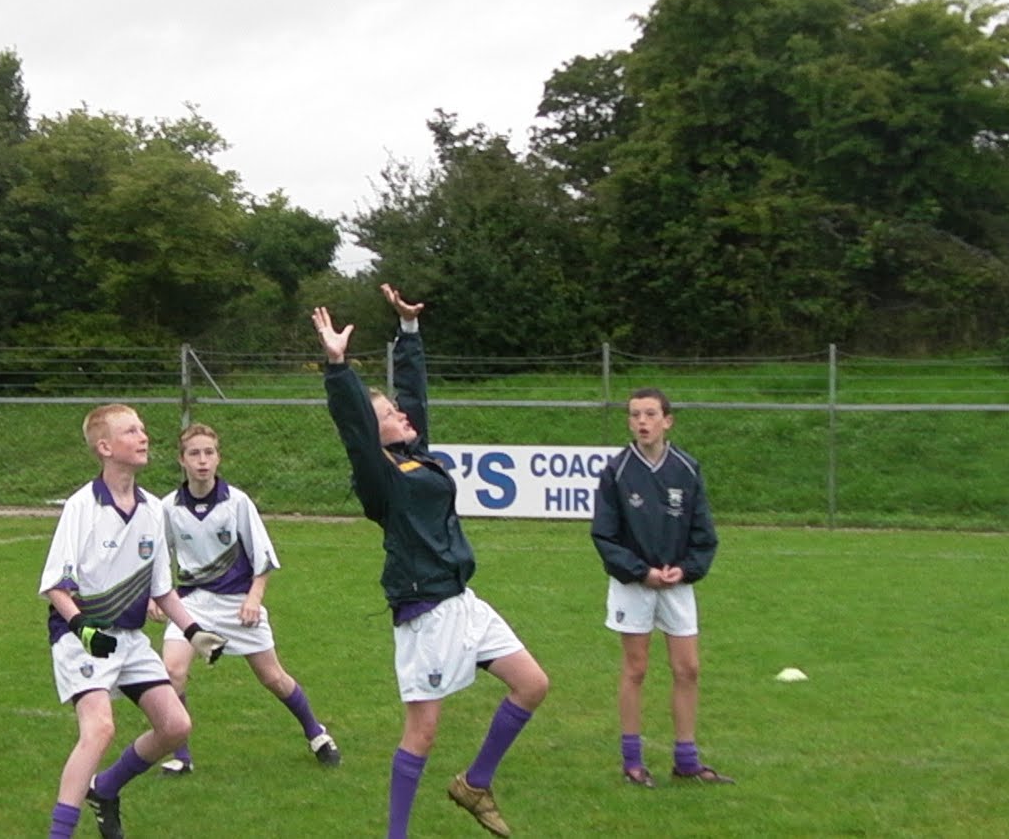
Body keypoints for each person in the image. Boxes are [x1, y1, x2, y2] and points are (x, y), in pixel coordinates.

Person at [312, 285, 550, 839]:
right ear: (377, 435)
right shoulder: (380, 478)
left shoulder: (416, 456)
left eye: (396, 410)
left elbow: (414, 398)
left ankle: (473, 784)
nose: (401, 414)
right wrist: (337, 364)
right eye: (390, 415)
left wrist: (409, 333)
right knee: (422, 733)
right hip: (426, 612)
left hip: (462, 600)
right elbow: (353, 427)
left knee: (532, 684)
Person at [40, 403, 228, 839]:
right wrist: (84, 630)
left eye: (142, 429)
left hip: (129, 639)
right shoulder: (82, 506)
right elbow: (56, 587)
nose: (143, 436)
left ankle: (105, 789)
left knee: (176, 725)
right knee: (100, 728)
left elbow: (162, 590)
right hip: (81, 637)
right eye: (131, 431)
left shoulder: (150, 509)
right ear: (105, 447)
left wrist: (195, 632)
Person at [151, 423, 341, 776]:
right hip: (191, 603)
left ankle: (316, 733)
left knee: (273, 678)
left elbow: (263, 557)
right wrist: (155, 596)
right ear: (182, 461)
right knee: (173, 672)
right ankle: (182, 756)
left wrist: (254, 597)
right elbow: (159, 557)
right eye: (194, 453)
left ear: (218, 457)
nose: (203, 461)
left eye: (209, 452)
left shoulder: (237, 502)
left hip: (237, 603)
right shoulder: (167, 507)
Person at [590, 388, 734, 788]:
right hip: (633, 584)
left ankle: (686, 760)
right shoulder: (617, 472)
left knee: (688, 668)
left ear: (667, 421)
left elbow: (704, 535)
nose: (642, 422)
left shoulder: (687, 469)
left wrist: (685, 570)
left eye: (650, 414)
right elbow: (604, 536)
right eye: (635, 415)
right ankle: (632, 761)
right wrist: (641, 572)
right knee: (636, 668)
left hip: (676, 585)